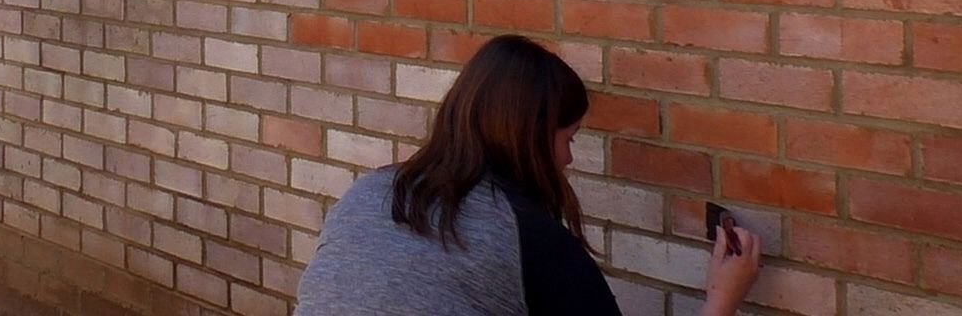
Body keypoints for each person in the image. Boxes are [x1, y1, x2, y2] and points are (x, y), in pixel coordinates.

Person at [295, 35, 762, 316]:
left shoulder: (368, 191)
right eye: (569, 139)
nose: (568, 161)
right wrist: (723, 298)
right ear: (531, 137)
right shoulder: (524, 236)